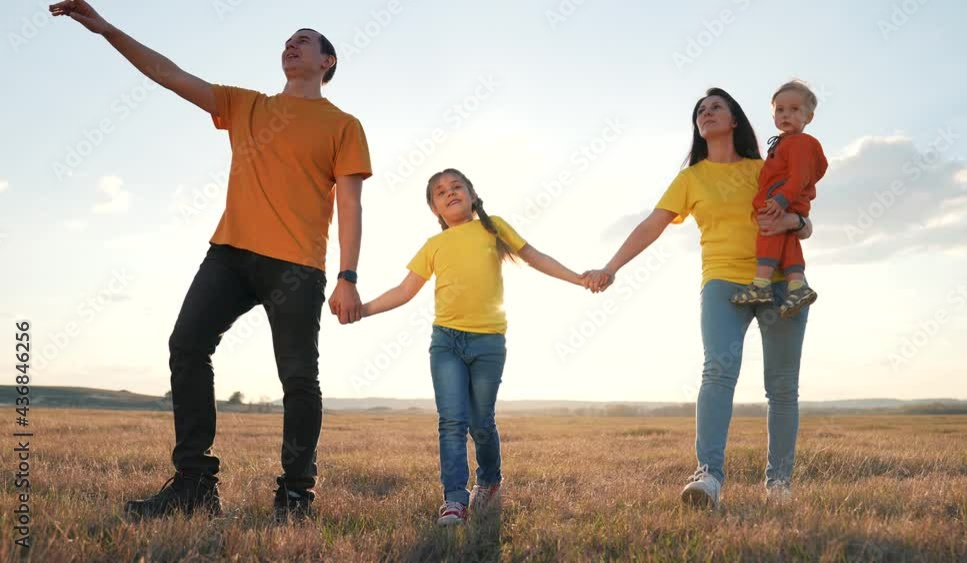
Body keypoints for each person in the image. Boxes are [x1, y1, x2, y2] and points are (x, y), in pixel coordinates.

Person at [50, 0, 372, 522]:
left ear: (327, 62)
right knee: (187, 345)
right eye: (288, 39)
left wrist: (348, 276)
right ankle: (195, 482)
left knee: (297, 376)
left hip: (296, 266)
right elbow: (168, 74)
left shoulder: (343, 125)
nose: (291, 44)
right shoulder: (245, 105)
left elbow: (350, 202)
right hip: (229, 254)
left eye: (305, 39)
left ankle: (295, 494)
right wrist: (107, 29)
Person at [583, 88, 813, 508]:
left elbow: (804, 223)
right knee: (717, 373)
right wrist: (611, 267)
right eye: (700, 111)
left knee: (782, 388)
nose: (706, 114)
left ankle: (778, 485)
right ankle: (708, 474)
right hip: (723, 281)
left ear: (734, 120)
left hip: (778, 280)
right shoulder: (691, 178)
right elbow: (651, 225)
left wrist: (794, 219)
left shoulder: (764, 168)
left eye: (715, 107)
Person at [361, 169, 582, 525]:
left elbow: (536, 257)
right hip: (446, 341)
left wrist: (579, 277)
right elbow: (404, 291)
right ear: (435, 209)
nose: (449, 193)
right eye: (439, 192)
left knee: (481, 423)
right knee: (451, 421)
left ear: (472, 194)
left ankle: (490, 482)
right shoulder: (434, 246)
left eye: (455, 187)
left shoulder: (493, 228)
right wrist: (363, 309)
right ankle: (454, 500)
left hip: (489, 342)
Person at [730, 80, 828, 318]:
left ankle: (761, 284)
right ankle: (797, 286)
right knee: (787, 242)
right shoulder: (786, 142)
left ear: (809, 117)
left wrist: (782, 199)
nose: (786, 114)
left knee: (770, 233)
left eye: (795, 109)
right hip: (786, 197)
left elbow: (802, 174)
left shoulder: (800, 142)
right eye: (780, 110)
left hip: (781, 198)